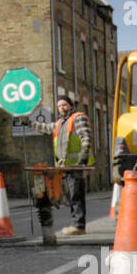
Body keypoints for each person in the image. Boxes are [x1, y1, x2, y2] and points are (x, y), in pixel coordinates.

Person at [32, 94, 92, 235]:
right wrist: (28, 123)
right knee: (71, 196)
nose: (62, 108)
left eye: (64, 105)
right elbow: (45, 127)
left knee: (76, 195)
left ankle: (79, 226)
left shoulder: (78, 118)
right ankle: (77, 224)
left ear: (71, 105)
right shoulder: (60, 123)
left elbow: (86, 136)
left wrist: (83, 156)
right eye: (59, 106)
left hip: (76, 165)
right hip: (64, 167)